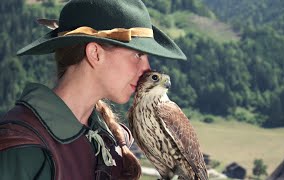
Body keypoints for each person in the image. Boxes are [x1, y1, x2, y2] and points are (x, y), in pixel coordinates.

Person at [0, 0, 186, 179]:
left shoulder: (109, 137)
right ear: (95, 54)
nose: (147, 69)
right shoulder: (23, 149)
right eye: (138, 54)